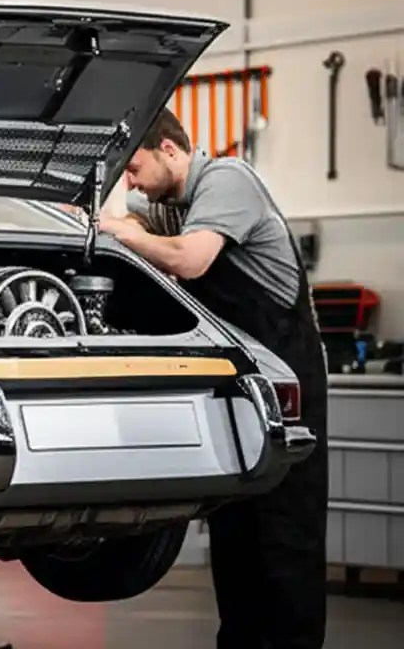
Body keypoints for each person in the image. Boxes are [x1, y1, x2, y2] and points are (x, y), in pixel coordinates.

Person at [98, 108, 328, 649]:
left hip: (287, 378)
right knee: (235, 534)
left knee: (283, 534)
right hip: (238, 385)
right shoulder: (165, 202)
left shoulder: (227, 180)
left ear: (171, 151)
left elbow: (192, 260)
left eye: (133, 168)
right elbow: (125, 215)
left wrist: (117, 231)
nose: (130, 183)